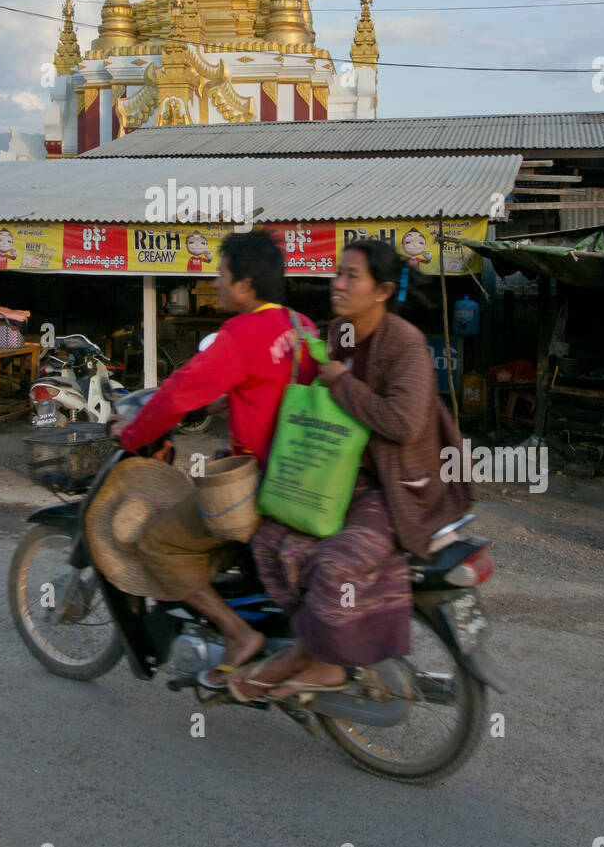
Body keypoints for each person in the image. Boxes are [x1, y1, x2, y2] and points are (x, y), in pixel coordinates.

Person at [231, 238, 472, 702]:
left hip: (396, 487)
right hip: (343, 480)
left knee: (335, 562)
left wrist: (343, 382)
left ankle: (316, 663)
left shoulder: (405, 342)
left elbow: (401, 423)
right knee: (268, 538)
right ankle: (313, 645)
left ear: (382, 290)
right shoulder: (339, 331)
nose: (336, 283)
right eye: (337, 272)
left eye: (350, 276)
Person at [113, 230, 316, 687]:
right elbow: (276, 389)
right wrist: (232, 401)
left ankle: (237, 633)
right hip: (297, 479)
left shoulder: (241, 332)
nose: (215, 283)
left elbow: (176, 395)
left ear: (245, 282)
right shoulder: (302, 325)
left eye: (220, 275)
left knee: (157, 542)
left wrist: (130, 435)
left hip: (254, 486)